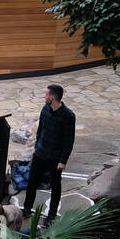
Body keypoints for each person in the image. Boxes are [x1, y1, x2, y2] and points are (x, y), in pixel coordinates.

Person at [22, 84, 76, 227]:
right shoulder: (45, 109)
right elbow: (40, 130)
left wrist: (63, 161)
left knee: (55, 186)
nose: (44, 97)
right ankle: (27, 209)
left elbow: (69, 140)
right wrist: (36, 146)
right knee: (32, 182)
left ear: (52, 97)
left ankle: (51, 215)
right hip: (40, 153)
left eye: (46, 95)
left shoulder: (68, 116)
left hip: (55, 157)